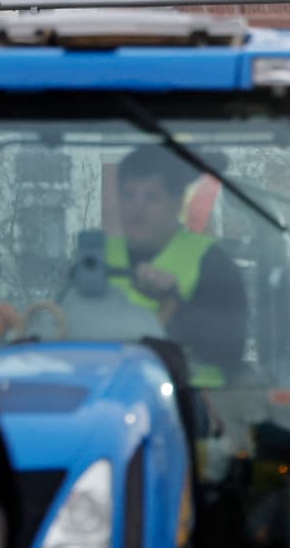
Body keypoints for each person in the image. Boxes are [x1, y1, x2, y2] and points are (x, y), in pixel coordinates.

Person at [106, 144, 248, 384]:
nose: (137, 210)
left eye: (152, 198)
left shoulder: (212, 261)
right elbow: (61, 326)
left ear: (178, 202)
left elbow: (230, 349)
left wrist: (174, 302)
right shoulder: (95, 257)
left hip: (197, 404)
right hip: (111, 397)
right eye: (129, 195)